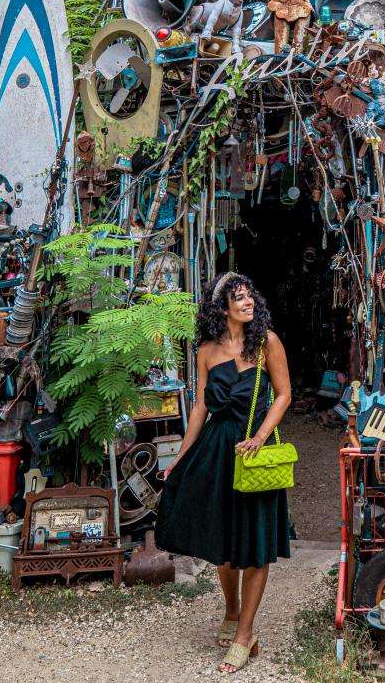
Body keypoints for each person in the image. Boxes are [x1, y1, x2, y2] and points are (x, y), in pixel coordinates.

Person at [155, 271, 292, 674]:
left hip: (255, 448)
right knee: (222, 538)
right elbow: (200, 407)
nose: (248, 302)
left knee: (256, 542)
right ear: (222, 308)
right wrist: (181, 456)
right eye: (239, 297)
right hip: (218, 448)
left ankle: (245, 633)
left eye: (251, 295)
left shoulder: (267, 342)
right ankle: (231, 608)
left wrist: (260, 436)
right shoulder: (206, 351)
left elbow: (284, 395)